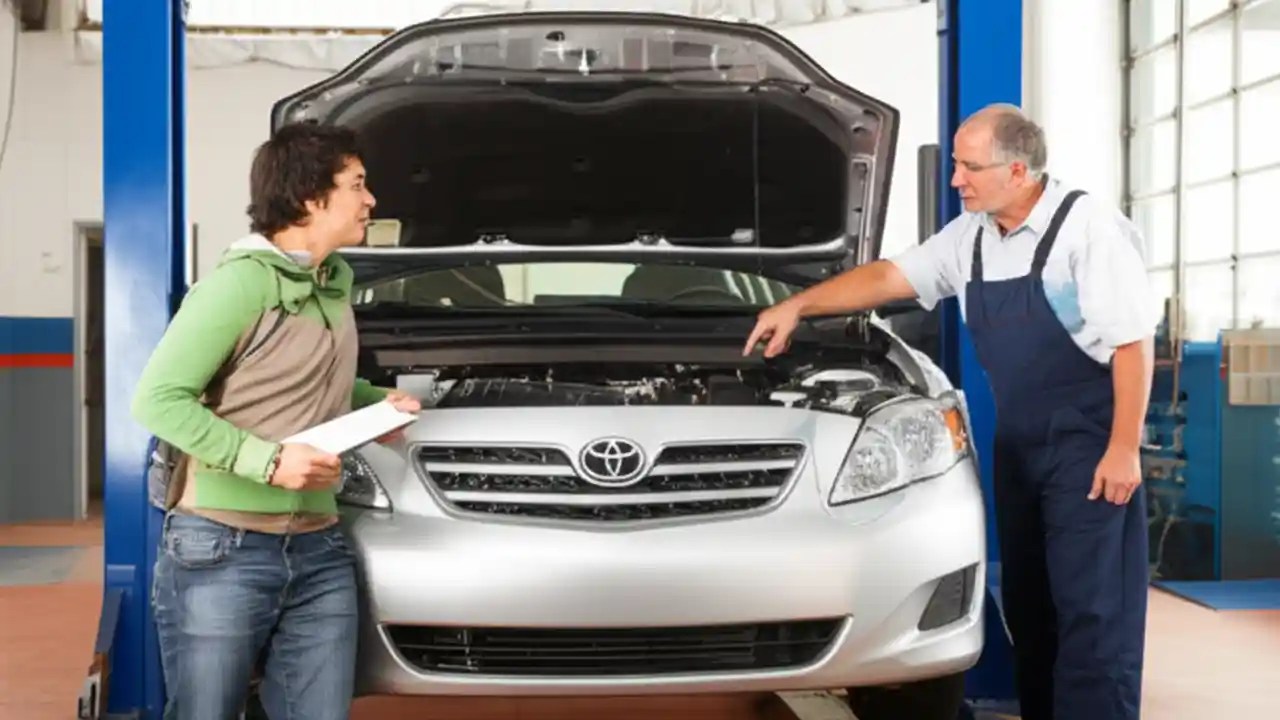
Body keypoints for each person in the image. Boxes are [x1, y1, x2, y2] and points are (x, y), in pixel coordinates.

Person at [744, 104, 1155, 720]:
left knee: (1093, 612)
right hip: (1020, 446)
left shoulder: (1088, 230)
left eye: (969, 166)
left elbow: (1132, 345)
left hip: (1089, 445)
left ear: (1017, 171)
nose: (957, 178)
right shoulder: (972, 237)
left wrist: (1123, 448)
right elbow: (888, 278)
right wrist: (799, 307)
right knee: (1029, 605)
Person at [131, 122, 421, 720]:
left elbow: (308, 387)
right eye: (357, 185)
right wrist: (267, 462)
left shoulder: (331, 288)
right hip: (220, 549)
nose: (370, 200)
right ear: (312, 198)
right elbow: (158, 400)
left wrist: (374, 406)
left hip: (318, 550)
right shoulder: (236, 287)